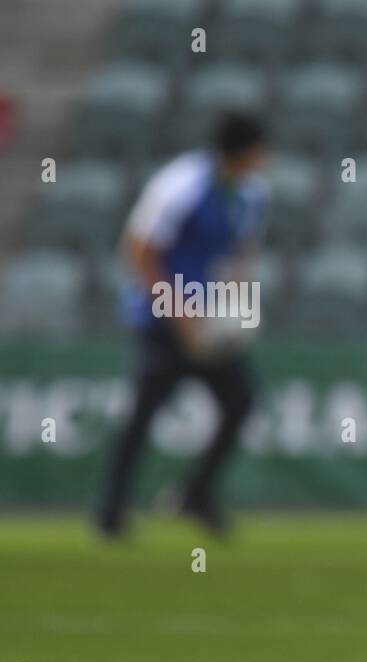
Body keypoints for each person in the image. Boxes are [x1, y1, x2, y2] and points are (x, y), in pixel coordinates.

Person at [96, 113, 269, 538]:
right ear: (245, 151)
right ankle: (111, 512)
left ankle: (196, 494)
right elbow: (139, 251)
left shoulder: (250, 194)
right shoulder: (183, 183)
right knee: (144, 412)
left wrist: (239, 314)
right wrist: (181, 317)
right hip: (161, 319)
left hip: (206, 322)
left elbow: (238, 257)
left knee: (241, 401)